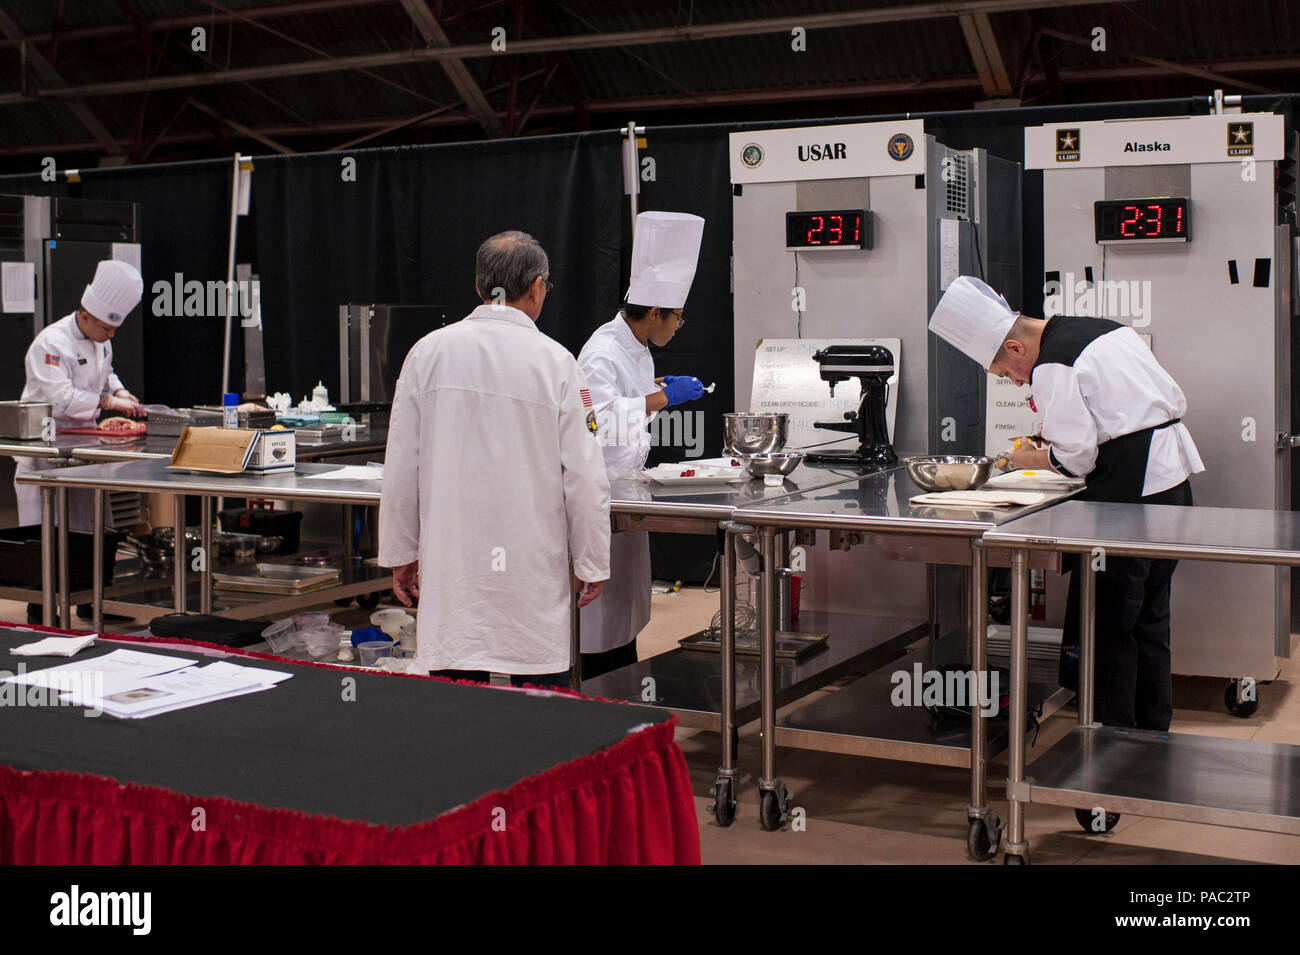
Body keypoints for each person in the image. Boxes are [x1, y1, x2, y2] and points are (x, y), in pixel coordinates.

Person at [929, 275, 1204, 731]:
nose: (1017, 382)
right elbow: (1113, 414)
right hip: (1171, 481)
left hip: (1130, 490)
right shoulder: (1102, 328)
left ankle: (1112, 743)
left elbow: (1076, 458)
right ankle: (1153, 733)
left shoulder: (1052, 363)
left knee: (1109, 624)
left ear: (1015, 347)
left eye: (1007, 373)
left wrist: (1026, 458)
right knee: (1150, 616)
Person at [378, 231, 611, 688]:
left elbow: (401, 466)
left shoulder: (427, 353)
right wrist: (592, 561)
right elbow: (585, 477)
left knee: (458, 702)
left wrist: (401, 553)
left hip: (454, 571)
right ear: (537, 287)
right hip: (530, 572)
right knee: (540, 695)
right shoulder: (558, 363)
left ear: (479, 285)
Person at [576, 211, 707, 679]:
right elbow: (599, 421)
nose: (677, 326)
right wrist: (665, 397)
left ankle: (625, 680)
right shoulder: (601, 351)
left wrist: (655, 390)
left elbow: (628, 402)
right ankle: (595, 689)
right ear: (654, 313)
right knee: (599, 617)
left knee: (625, 610)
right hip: (599, 496)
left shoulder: (636, 346)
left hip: (626, 490)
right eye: (677, 318)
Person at [15, 258, 144, 623]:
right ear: (86, 316)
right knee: (48, 534)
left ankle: (95, 600)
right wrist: (107, 403)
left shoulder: (101, 341)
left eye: (115, 329)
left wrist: (120, 391)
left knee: (94, 528)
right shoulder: (51, 343)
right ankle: (41, 609)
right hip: (47, 449)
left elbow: (107, 373)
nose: (111, 335)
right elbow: (60, 399)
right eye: (107, 327)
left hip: (84, 447)